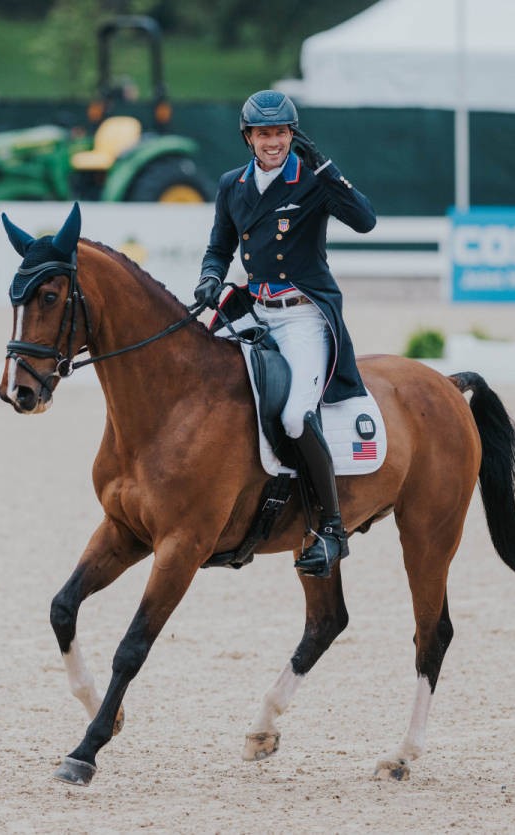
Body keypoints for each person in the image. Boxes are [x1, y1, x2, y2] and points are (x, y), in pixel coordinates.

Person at [195, 89, 376, 578]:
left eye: (280, 132)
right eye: (263, 134)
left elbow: (365, 220)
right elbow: (219, 247)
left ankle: (332, 528)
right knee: (204, 389)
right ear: (248, 138)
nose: (272, 141)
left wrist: (327, 169)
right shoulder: (232, 184)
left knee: (296, 416)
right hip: (253, 309)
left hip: (301, 316)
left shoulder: (312, 180)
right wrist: (210, 277)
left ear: (292, 136)